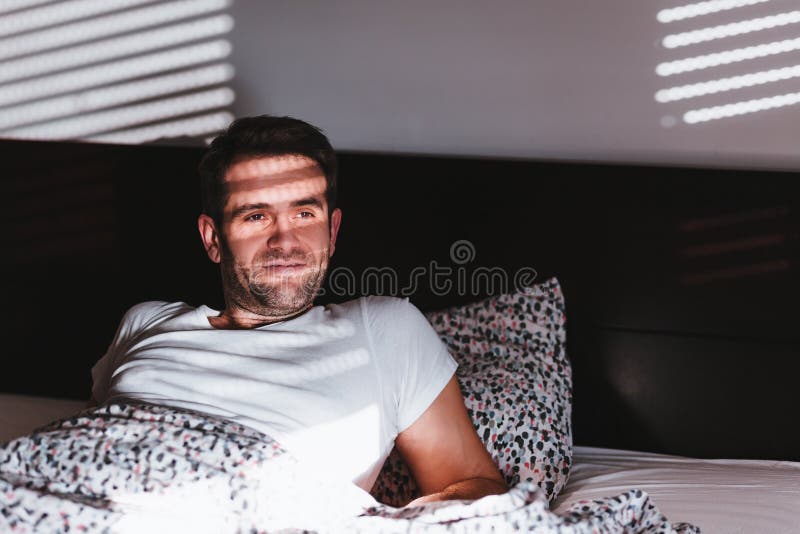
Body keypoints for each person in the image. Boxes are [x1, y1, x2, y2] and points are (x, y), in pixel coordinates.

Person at [90, 115, 507, 506]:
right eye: (256, 216)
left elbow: (476, 487)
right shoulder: (145, 322)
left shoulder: (385, 331)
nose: (285, 241)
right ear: (212, 238)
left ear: (333, 230)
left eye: (305, 213)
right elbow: (87, 441)